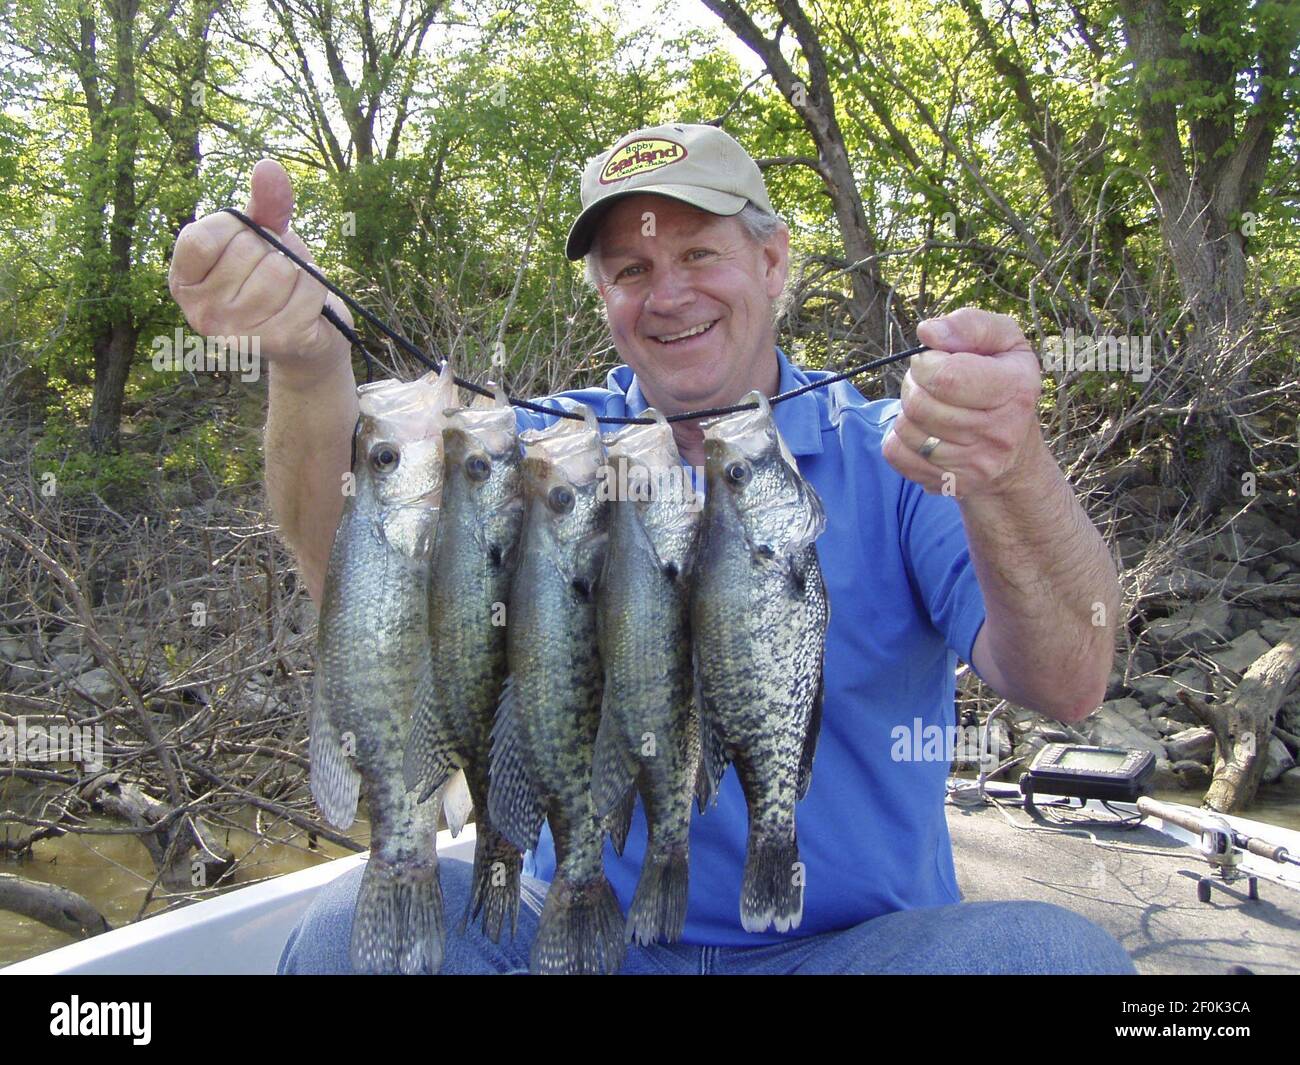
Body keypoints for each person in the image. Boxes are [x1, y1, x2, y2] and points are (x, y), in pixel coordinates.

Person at [168, 122, 1134, 974]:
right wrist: (306, 364)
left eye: (701, 254)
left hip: (852, 949)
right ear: (603, 299)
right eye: (630, 271)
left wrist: (1016, 473)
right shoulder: (550, 457)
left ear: (772, 262)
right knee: (339, 943)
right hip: (578, 937)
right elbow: (346, 561)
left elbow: (1069, 679)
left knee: (1058, 959)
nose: (666, 295)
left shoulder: (897, 450)